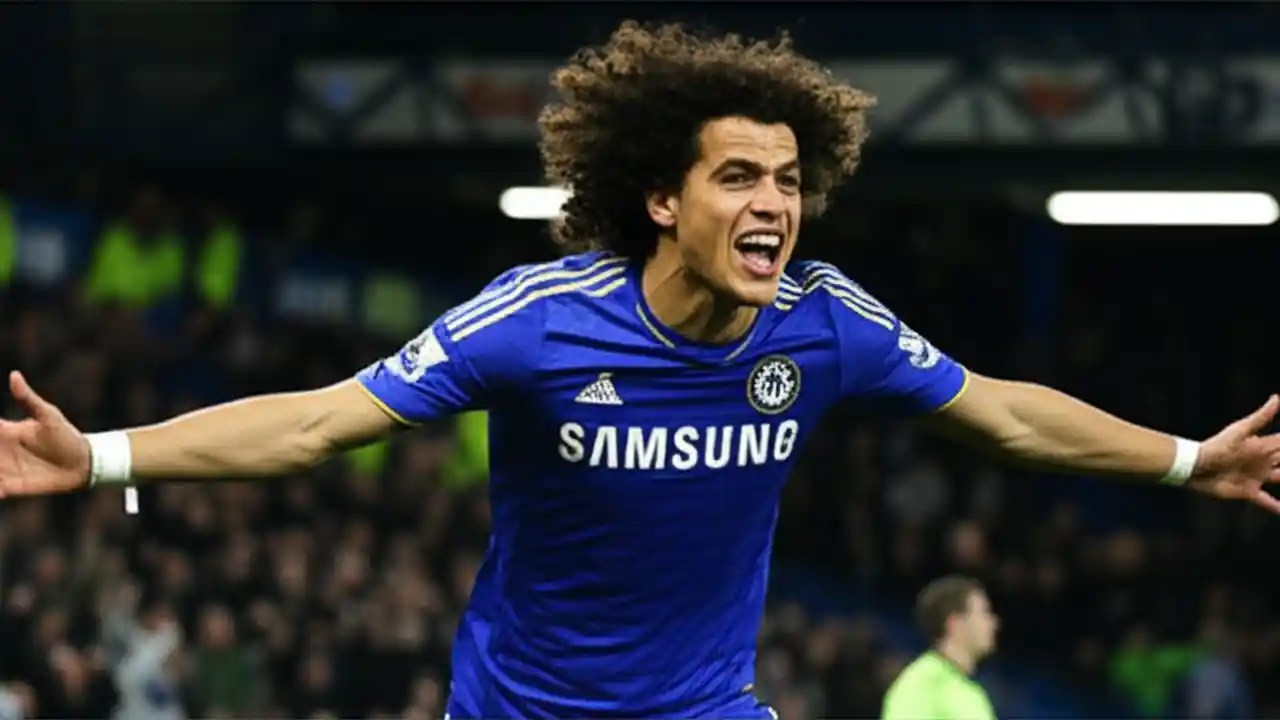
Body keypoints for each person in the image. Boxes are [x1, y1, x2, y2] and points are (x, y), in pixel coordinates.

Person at [2, 20, 1279, 720]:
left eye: (788, 179)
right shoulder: (538, 321)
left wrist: (1184, 459)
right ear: (661, 201)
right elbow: (321, 425)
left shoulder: (823, 323)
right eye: (738, 177)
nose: (772, 201)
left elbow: (1000, 414)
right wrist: (102, 455)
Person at [881, 576, 999, 720]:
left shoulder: (972, 691)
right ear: (955, 624)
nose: (993, 622)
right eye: (984, 613)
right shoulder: (921, 686)